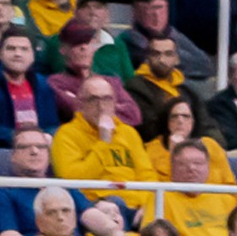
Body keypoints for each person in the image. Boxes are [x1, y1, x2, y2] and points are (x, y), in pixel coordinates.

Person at [52, 74, 158, 219]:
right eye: (93, 99)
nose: (101, 106)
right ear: (81, 104)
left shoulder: (128, 133)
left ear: (115, 102)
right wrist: (104, 142)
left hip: (136, 205)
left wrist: (146, 205)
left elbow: (147, 175)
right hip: (95, 206)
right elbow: (73, 180)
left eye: (107, 99)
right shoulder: (66, 135)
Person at [158, 139, 237, 236]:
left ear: (208, 168)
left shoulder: (227, 200)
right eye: (183, 163)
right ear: (173, 169)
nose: (191, 168)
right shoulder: (161, 199)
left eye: (198, 163)